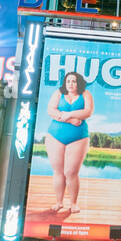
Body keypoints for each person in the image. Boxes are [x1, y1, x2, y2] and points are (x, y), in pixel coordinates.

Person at [45, 70, 95, 216]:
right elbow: (51, 110)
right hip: (55, 136)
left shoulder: (86, 94)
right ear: (64, 83)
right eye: (68, 81)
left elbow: (88, 112)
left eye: (73, 81)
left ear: (78, 83)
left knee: (71, 172)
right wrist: (71, 119)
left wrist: (69, 114)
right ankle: (59, 202)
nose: (70, 84)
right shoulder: (58, 93)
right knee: (58, 171)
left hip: (79, 137)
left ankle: (73, 203)